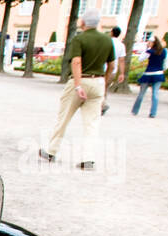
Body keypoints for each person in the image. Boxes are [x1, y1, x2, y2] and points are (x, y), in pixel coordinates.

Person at [41, 9, 115, 169]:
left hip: (81, 80)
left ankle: (51, 150)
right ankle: (88, 159)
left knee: (64, 117)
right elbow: (112, 65)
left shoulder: (79, 39)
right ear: (98, 23)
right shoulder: (108, 41)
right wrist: (104, 82)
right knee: (92, 124)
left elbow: (76, 62)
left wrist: (78, 84)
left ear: (83, 23)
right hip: (98, 83)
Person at [131, 35, 167, 118]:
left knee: (141, 93)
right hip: (159, 73)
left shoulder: (149, 51)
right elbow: (166, 63)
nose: (148, 43)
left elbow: (140, 59)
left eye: (149, 42)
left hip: (148, 73)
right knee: (155, 94)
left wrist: (146, 49)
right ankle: (153, 113)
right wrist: (162, 69)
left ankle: (135, 110)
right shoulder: (164, 51)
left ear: (153, 43)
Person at [103, 26, 127, 115]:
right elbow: (121, 60)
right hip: (113, 70)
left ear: (112, 32)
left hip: (103, 68)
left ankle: (102, 104)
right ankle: (102, 104)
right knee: (104, 88)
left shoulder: (106, 42)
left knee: (101, 87)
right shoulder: (121, 45)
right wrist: (122, 73)